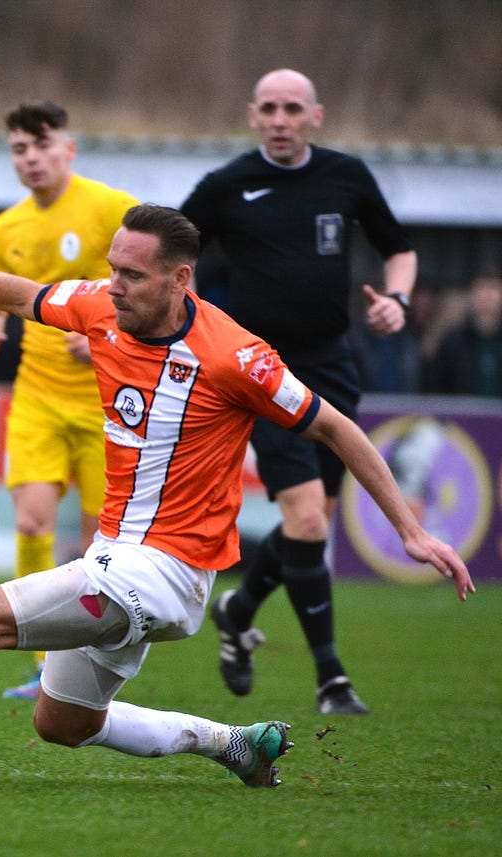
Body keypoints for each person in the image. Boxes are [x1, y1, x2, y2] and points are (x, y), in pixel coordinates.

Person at [0, 204, 473, 786]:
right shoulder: (104, 308)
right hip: (114, 557)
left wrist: (409, 529)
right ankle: (234, 744)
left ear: (180, 279)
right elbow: (28, 294)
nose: (115, 285)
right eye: (112, 269)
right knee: (62, 720)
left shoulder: (236, 357)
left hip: (169, 572)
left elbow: (337, 427)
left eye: (132, 274)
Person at [179, 69, 418, 715]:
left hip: (333, 363)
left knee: (312, 524)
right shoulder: (227, 184)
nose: (281, 119)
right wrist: (185, 319)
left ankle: (238, 610)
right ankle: (331, 678)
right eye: (270, 108)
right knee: (308, 518)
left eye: (293, 108)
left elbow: (399, 249)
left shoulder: (347, 176)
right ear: (252, 115)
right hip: (259, 369)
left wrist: (397, 300)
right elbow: (170, 250)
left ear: (316, 115)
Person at [0, 101, 138, 699]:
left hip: (109, 404)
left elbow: (160, 290)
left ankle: (85, 664)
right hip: (37, 395)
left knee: (99, 543)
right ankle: (41, 661)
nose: (32, 159)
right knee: (31, 521)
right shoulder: (5, 227)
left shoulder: (112, 210)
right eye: (20, 149)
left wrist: (108, 338)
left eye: (42, 146)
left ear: (69, 149)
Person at [423, 272, 502, 396]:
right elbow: (436, 389)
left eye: (493, 289)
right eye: (481, 289)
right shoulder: (452, 342)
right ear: (471, 295)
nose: (487, 297)